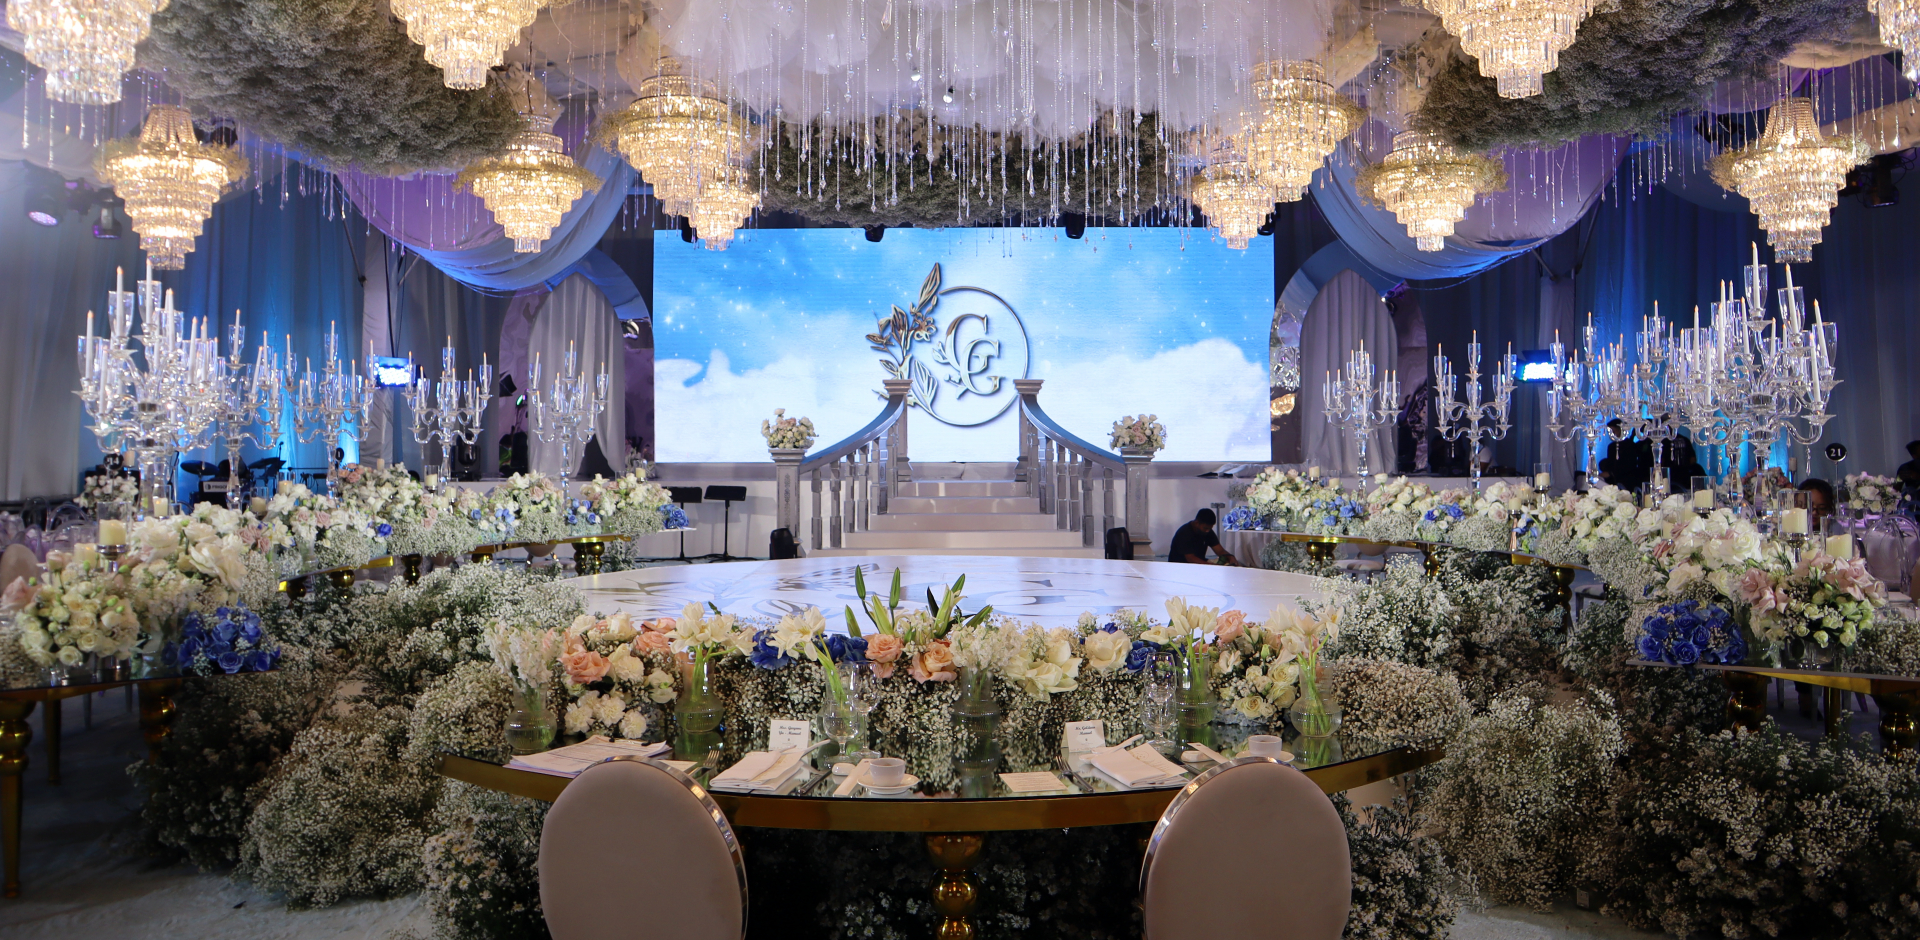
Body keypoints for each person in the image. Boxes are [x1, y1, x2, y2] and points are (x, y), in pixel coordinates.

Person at [1168, 508, 1238, 565]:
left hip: (1198, 564)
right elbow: (1190, 558)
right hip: (1180, 566)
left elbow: (1220, 551)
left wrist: (1230, 557)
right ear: (1197, 523)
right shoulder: (1184, 533)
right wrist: (1210, 565)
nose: (1207, 531)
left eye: (1210, 528)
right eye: (1205, 528)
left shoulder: (1207, 531)